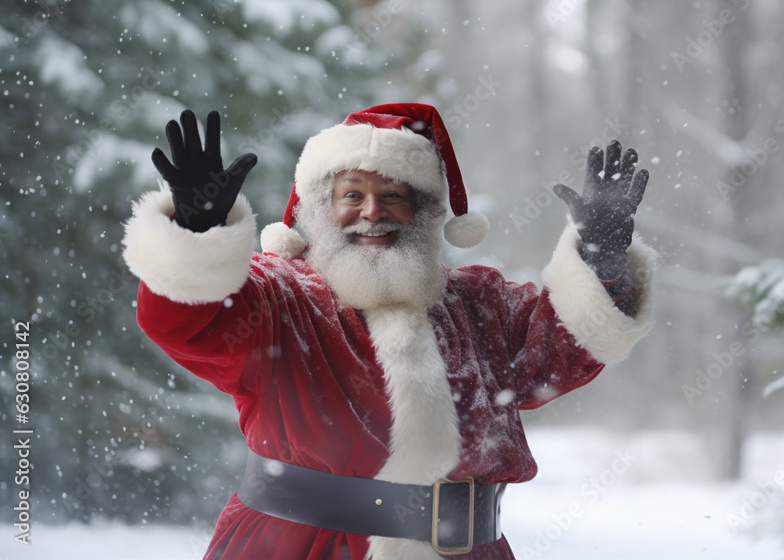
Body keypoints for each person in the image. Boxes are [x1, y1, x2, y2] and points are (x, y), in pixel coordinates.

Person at [122, 103, 655, 560]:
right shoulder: (280, 295)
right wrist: (197, 233)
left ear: (423, 212)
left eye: (393, 196)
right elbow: (190, 323)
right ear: (323, 211)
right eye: (352, 195)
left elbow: (567, 345)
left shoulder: (480, 304)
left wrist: (600, 260)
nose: (371, 213)